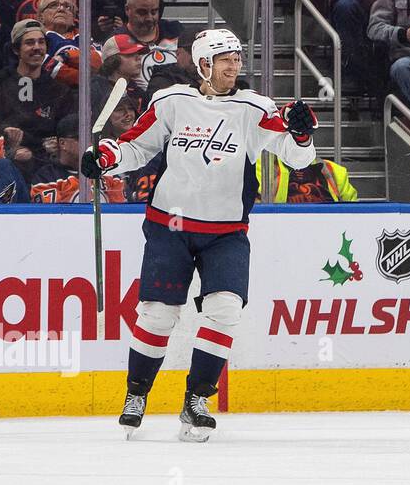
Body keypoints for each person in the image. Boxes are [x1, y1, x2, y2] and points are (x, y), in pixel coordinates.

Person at [81, 28, 317, 442]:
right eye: (225, 59)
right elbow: (135, 147)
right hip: (168, 227)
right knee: (157, 314)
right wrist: (107, 156)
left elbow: (298, 157)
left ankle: (196, 399)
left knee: (224, 310)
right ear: (204, 64)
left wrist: (301, 133)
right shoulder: (171, 101)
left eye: (237, 58)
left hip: (226, 232)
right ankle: (136, 394)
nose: (234, 65)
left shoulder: (255, 108)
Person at [0, 19, 75, 178]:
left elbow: (64, 135)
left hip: (45, 166)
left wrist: (44, 149)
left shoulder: (60, 90)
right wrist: (8, 143)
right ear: (16, 49)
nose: (37, 47)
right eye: (29, 42)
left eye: (41, 42)